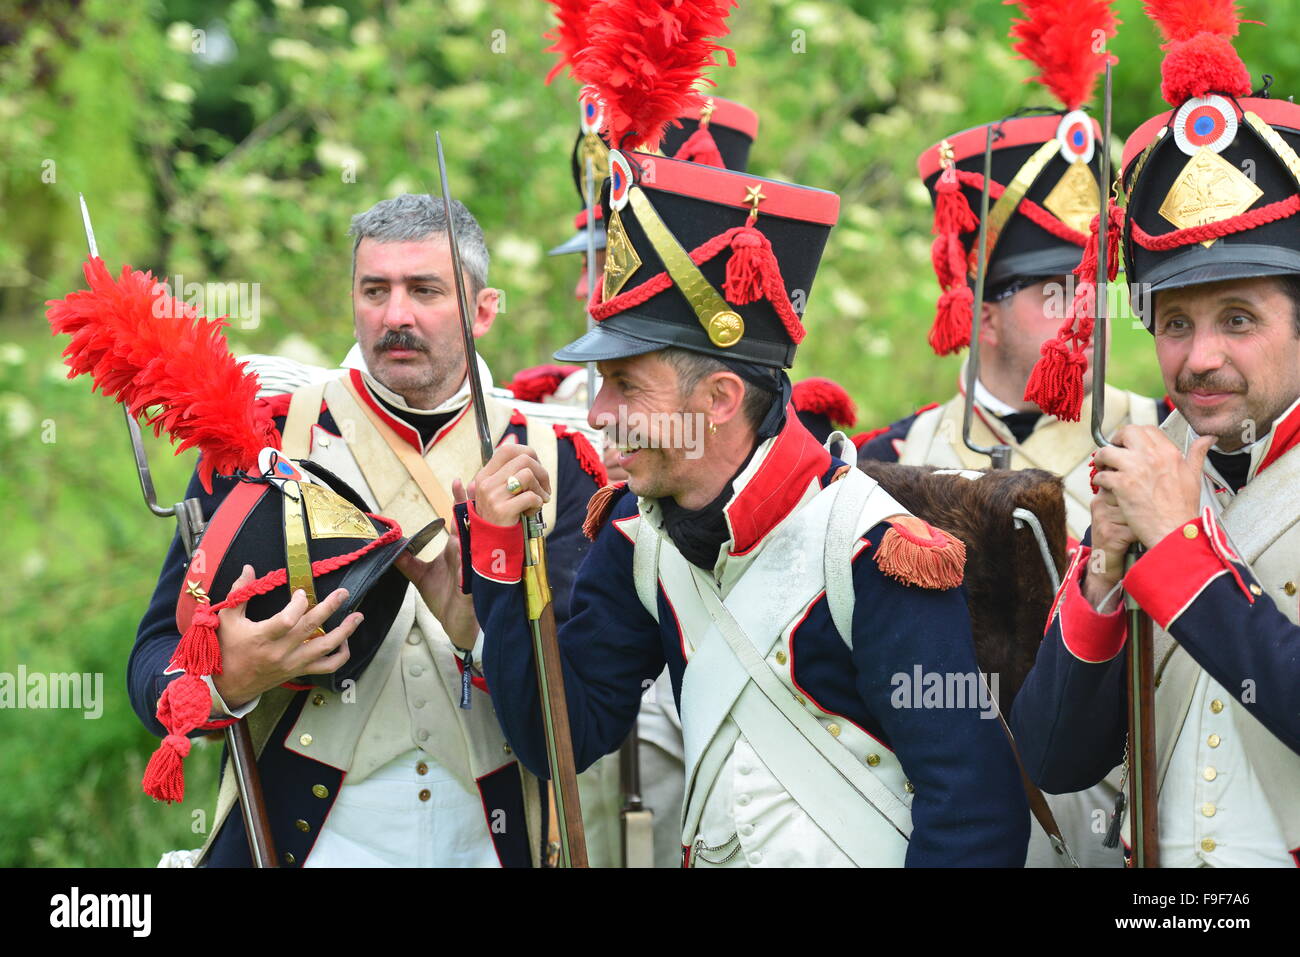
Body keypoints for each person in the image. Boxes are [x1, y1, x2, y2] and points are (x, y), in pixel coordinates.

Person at [404, 32, 1031, 860]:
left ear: (720, 398)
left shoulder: (876, 553)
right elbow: (562, 738)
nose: (601, 415)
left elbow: (977, 815)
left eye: (629, 386)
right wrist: (497, 572)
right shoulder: (634, 533)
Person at [129, 193, 604, 867]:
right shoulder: (260, 438)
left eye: (425, 290)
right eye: (374, 289)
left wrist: (480, 639)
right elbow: (153, 657)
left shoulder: (558, 459)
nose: (395, 315)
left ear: (485, 309)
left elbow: (576, 720)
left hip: (486, 844)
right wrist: (229, 679)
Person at [854, 0, 1146, 869]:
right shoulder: (888, 458)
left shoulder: (1165, 434)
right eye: (1053, 288)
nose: (1085, 308)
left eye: (1093, 280)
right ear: (980, 309)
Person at [1010, 1, 1300, 866]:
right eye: (1175, 323)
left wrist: (1176, 550)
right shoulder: (1143, 466)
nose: (1200, 357)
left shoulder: (1160, 492)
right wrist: (1102, 577)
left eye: (1238, 318)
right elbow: (1058, 757)